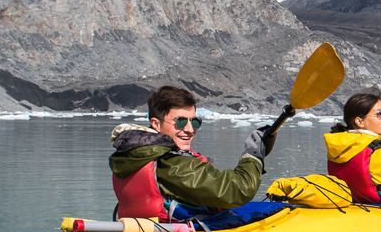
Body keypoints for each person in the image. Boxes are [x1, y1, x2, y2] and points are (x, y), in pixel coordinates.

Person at [109, 85, 272, 219]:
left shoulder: (134, 154)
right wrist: (253, 155)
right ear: (156, 124)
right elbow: (236, 190)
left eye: (194, 121)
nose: (189, 129)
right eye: (180, 122)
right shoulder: (172, 163)